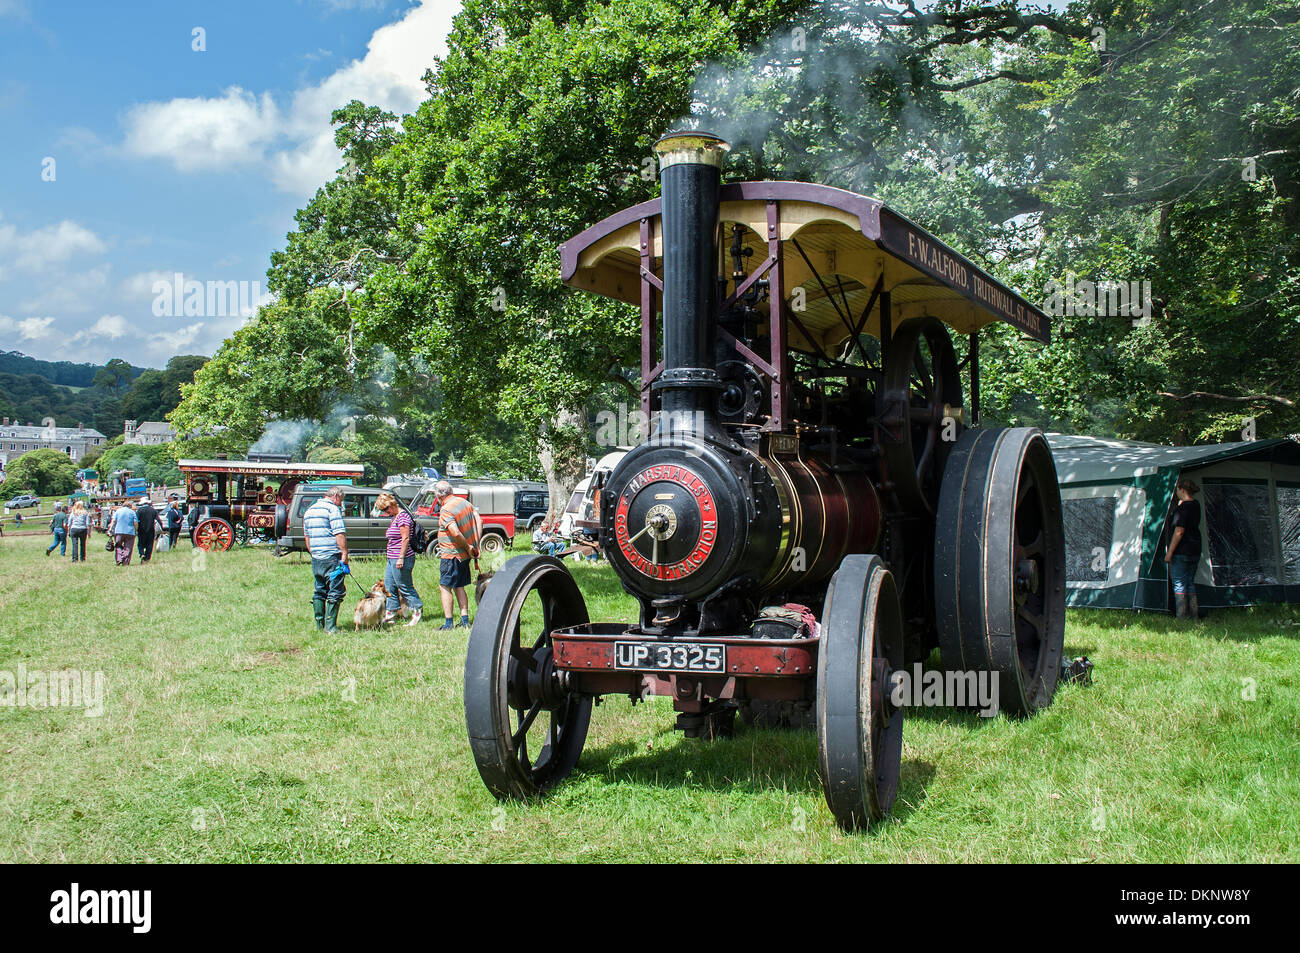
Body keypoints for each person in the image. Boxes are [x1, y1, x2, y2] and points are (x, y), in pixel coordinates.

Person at [303, 485, 349, 632]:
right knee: (335, 590)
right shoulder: (332, 509)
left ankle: (320, 625)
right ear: (335, 496)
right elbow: (339, 533)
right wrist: (344, 553)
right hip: (331, 556)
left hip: (316, 557)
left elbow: (307, 536)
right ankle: (331, 627)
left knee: (320, 590)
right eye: (341, 500)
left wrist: (313, 553)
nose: (341, 504)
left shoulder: (310, 510)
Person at [434, 481, 479, 630]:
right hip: (464, 555)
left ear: (439, 495)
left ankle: (448, 623)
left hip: (451, 554)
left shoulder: (446, 509)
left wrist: (467, 546)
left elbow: (454, 532)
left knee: (445, 586)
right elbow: (479, 520)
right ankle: (465, 621)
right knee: (459, 586)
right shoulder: (464, 503)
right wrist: (474, 544)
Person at [377, 492, 423, 626]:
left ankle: (417, 609)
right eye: (383, 510)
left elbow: (405, 538)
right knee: (390, 585)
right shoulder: (395, 516)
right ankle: (391, 611)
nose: (385, 512)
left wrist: (401, 558)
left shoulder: (403, 517)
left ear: (391, 504)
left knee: (404, 586)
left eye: (386, 509)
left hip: (402, 558)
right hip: (392, 558)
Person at [1165, 477, 1203, 619]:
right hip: (1195, 548)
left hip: (1181, 551)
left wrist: (1170, 552)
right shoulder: (1196, 505)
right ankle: (1194, 616)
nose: (1177, 493)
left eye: (1177, 490)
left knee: (1179, 584)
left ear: (1182, 489)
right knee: (1190, 582)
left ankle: (1181, 617)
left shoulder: (1182, 509)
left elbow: (1179, 531)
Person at [136, 496, 162, 562]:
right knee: (149, 544)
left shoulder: (139, 510)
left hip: (141, 530)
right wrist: (161, 528)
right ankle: (147, 557)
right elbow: (158, 520)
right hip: (151, 529)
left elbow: (136, 520)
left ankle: (141, 553)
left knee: (141, 543)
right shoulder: (153, 510)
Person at [112, 501, 138, 565]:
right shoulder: (132, 512)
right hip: (130, 532)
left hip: (119, 531)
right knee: (128, 547)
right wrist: (135, 530)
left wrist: (111, 529)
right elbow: (135, 523)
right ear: (130, 506)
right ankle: (125, 561)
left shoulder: (118, 511)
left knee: (118, 545)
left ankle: (119, 559)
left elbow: (114, 520)